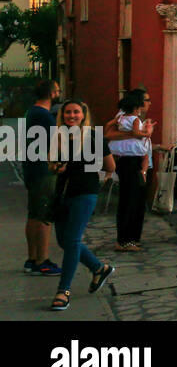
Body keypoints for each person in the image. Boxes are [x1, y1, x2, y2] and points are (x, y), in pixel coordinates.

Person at [49, 100, 115, 311]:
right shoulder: (56, 137)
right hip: (62, 194)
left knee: (73, 239)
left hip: (85, 193)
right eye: (68, 112)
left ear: (83, 114)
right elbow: (51, 165)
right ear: (62, 115)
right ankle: (98, 268)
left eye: (76, 112)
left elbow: (110, 166)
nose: (72, 115)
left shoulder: (95, 137)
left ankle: (63, 291)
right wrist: (56, 168)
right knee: (64, 241)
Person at [106, 88, 154, 252]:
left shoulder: (136, 119)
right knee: (128, 200)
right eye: (146, 100)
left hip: (138, 161)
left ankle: (133, 237)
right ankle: (124, 240)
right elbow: (109, 133)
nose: (148, 103)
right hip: (128, 161)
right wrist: (143, 133)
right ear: (138, 103)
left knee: (138, 201)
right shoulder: (125, 117)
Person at [23, 79, 62, 277]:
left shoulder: (32, 112)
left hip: (32, 168)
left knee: (33, 214)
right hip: (43, 170)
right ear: (52, 93)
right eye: (57, 90)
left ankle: (32, 258)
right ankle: (42, 260)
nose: (59, 93)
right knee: (44, 215)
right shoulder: (45, 116)